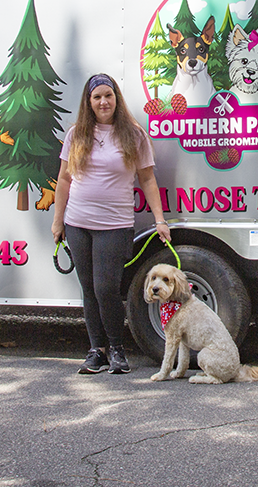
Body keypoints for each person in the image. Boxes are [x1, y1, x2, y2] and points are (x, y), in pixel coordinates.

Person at [51, 73, 171, 374]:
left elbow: (147, 179)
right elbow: (64, 180)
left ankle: (117, 348)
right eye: (97, 97)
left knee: (106, 288)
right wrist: (58, 221)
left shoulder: (133, 134)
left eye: (108, 95)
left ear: (116, 98)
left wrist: (160, 220)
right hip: (77, 223)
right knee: (89, 289)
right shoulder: (76, 134)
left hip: (114, 225)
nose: (103, 102)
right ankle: (97, 351)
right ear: (88, 102)